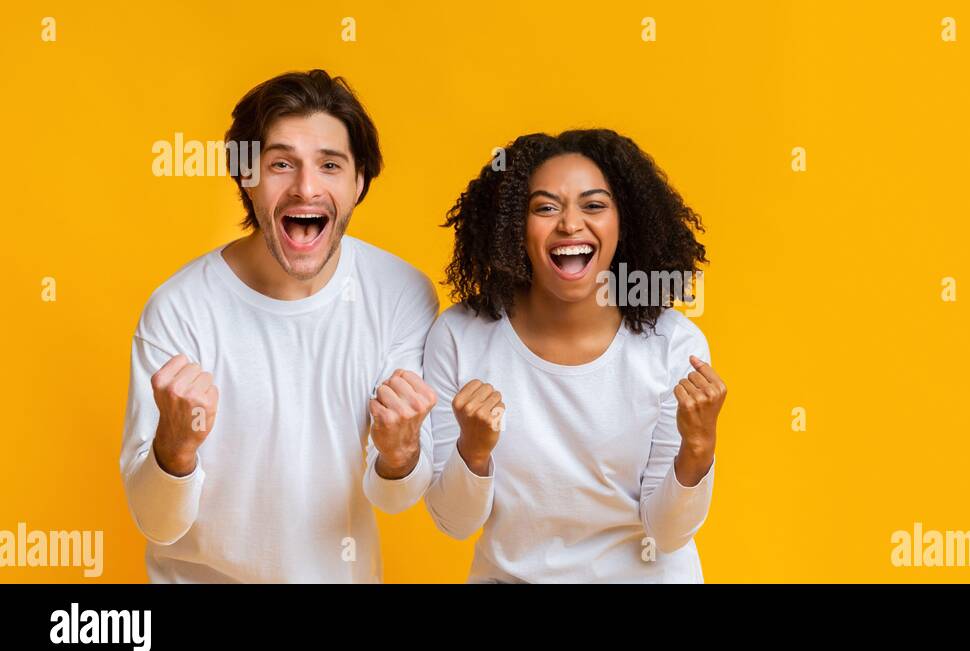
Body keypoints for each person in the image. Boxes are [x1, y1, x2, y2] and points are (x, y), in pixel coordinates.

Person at [120, 70, 439, 582]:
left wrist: (401, 453)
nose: (306, 188)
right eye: (281, 164)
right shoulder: (179, 309)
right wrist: (173, 449)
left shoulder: (401, 294)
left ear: (358, 183)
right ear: (247, 178)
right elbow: (156, 523)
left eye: (330, 165)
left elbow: (397, 499)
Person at [423, 129, 727, 582]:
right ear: (512, 228)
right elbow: (455, 522)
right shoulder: (460, 336)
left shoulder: (673, 345)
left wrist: (699, 446)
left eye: (594, 205)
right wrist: (474, 450)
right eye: (545, 207)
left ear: (625, 222)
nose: (569, 224)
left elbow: (667, 534)